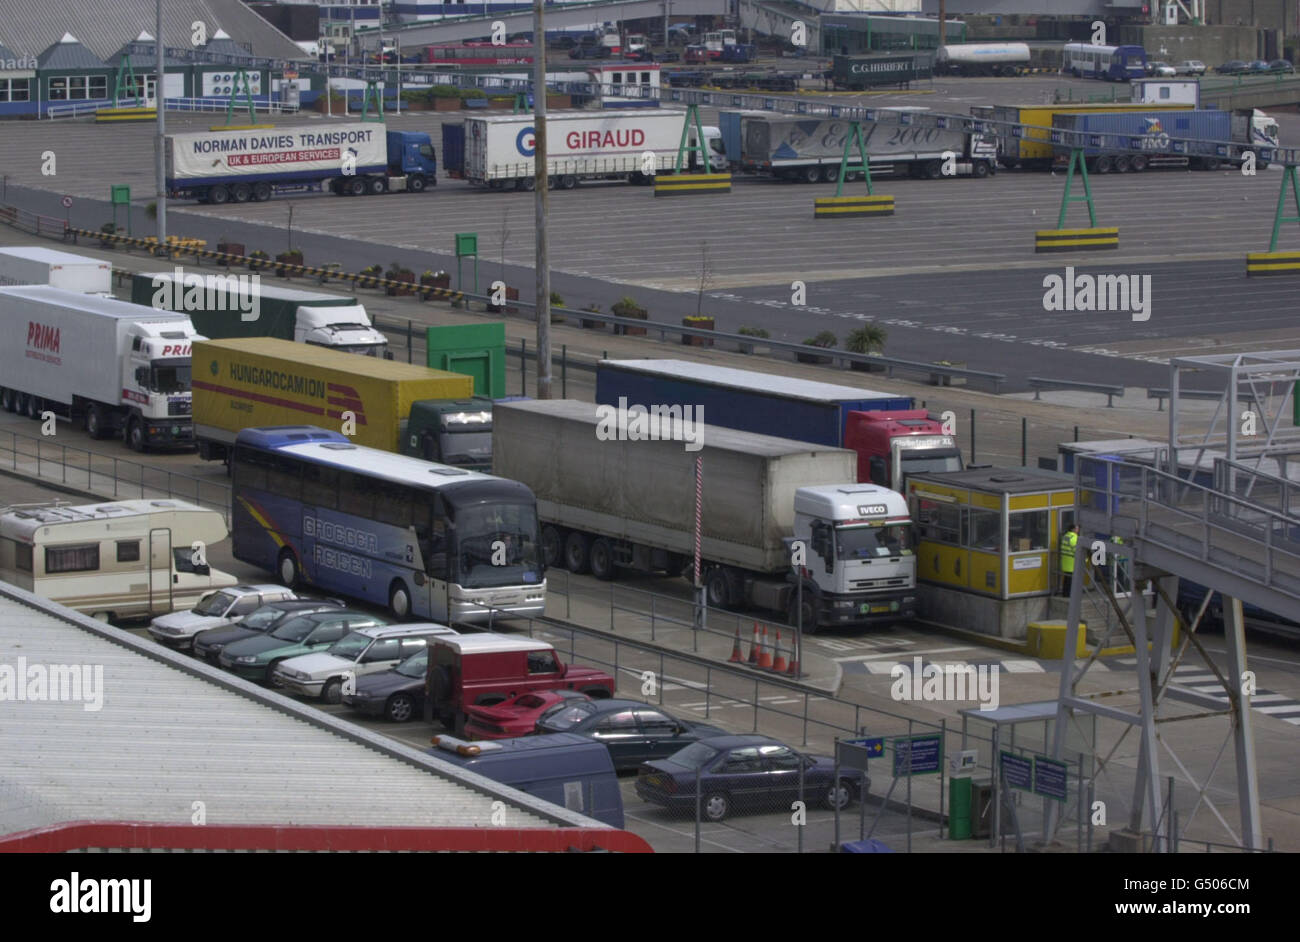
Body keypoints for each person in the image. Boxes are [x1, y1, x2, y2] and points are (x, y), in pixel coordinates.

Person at [1059, 523, 1079, 596]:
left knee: (1067, 579)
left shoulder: (1065, 536)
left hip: (1065, 561)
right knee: (1071, 580)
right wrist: (1085, 560)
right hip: (1072, 562)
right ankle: (1070, 594)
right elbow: (1077, 551)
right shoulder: (1074, 538)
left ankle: (1065, 594)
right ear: (1073, 529)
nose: (1078, 530)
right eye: (1077, 528)